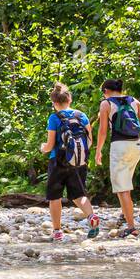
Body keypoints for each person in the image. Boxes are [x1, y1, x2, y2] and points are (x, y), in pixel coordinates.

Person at [94, 79, 140, 236]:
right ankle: (125, 215)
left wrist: (98, 151)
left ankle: (131, 227)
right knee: (123, 184)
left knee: (122, 187)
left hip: (120, 146)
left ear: (106, 91)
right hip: (137, 146)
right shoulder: (134, 101)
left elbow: (103, 131)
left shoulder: (106, 104)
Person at [40, 83, 100, 243]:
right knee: (79, 194)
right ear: (69, 99)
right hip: (78, 160)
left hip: (58, 160)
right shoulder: (82, 116)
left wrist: (43, 148)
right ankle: (91, 216)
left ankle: (57, 231)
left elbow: (50, 145)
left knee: (55, 197)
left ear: (54, 102)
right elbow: (89, 141)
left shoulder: (54, 118)